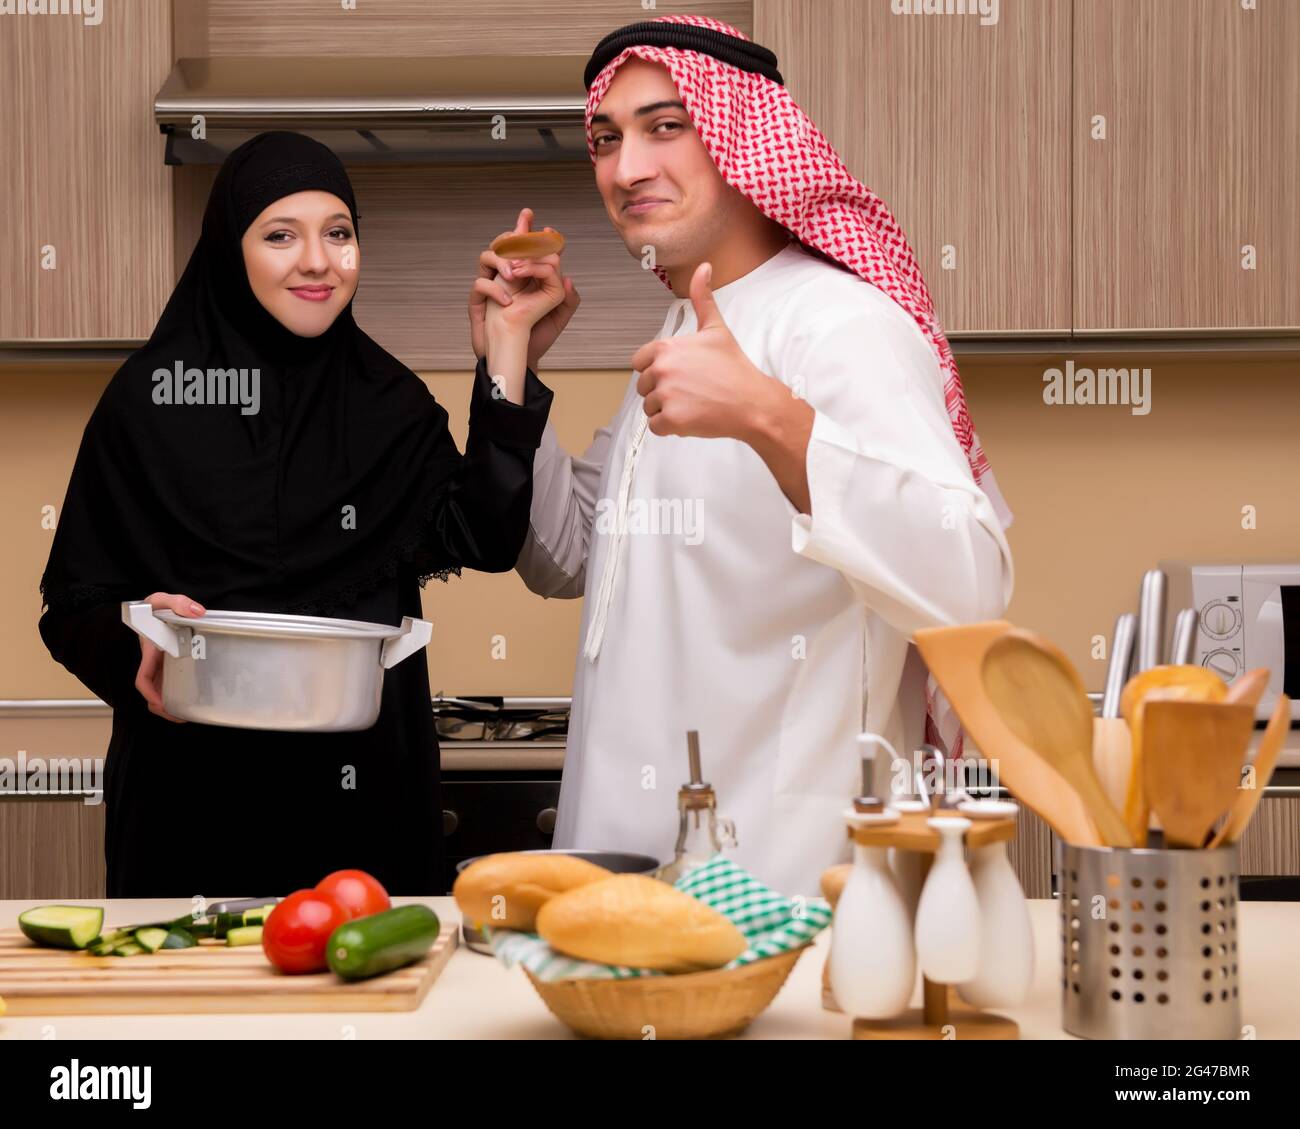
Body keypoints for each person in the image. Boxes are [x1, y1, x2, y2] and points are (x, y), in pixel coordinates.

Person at [480, 16, 1016, 894]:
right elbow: (570, 557)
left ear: (743, 135)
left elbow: (972, 582)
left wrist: (772, 419)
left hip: (776, 893)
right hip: (619, 876)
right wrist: (513, 362)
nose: (626, 167)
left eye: (666, 126)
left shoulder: (840, 325)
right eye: (606, 139)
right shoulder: (689, 327)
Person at [38, 131, 560, 897]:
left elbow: (485, 535)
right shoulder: (148, 403)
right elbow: (72, 605)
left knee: (372, 1003)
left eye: (339, 233)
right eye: (281, 234)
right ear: (230, 249)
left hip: (365, 820)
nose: (318, 260)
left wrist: (506, 351)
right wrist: (133, 636)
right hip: (190, 814)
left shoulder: (389, 403)